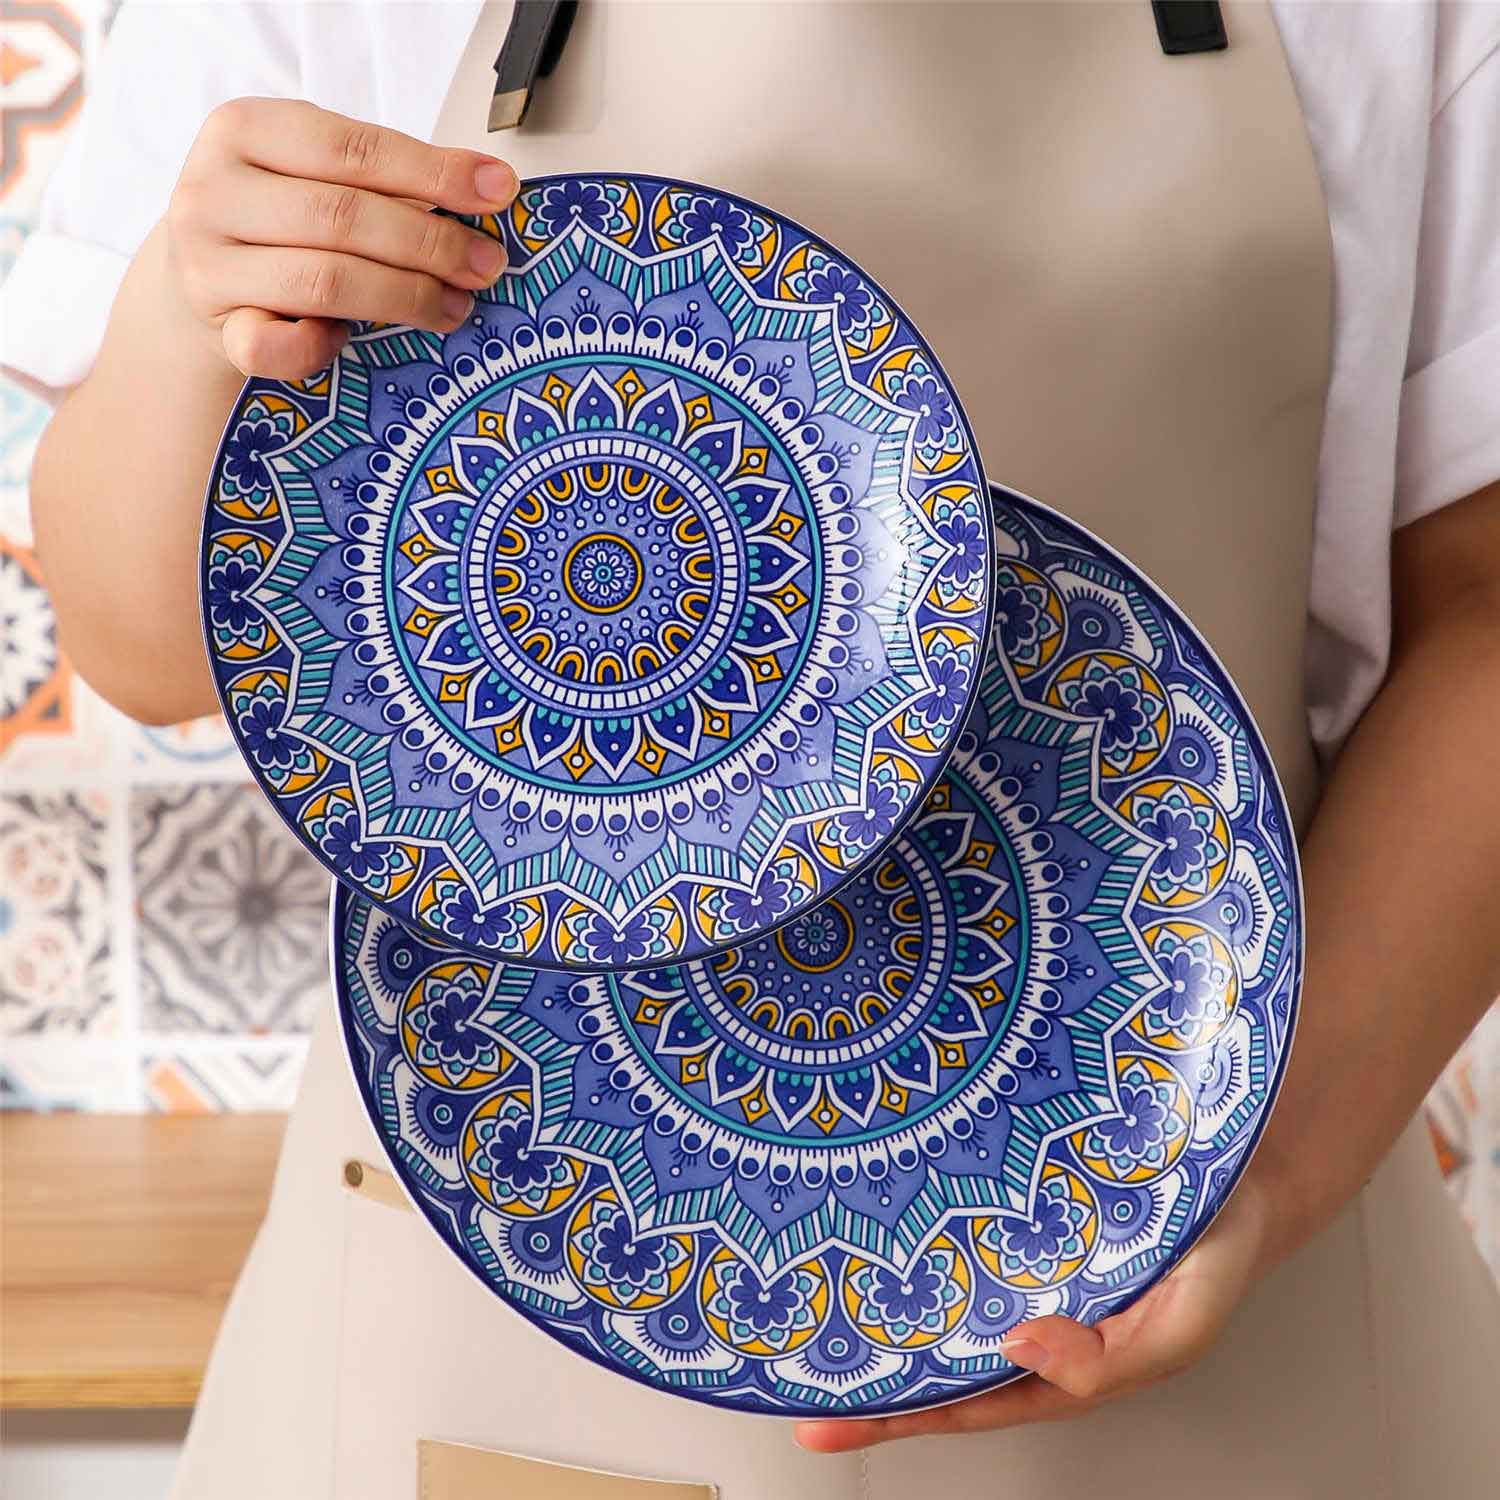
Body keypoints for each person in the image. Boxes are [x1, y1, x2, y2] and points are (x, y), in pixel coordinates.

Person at [5, 2, 1500, 1496]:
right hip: (503, 1284)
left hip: (1211, 1226)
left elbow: (1483, 619)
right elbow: (148, 650)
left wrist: (1257, 1176)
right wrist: (185, 324)